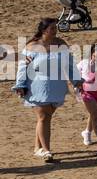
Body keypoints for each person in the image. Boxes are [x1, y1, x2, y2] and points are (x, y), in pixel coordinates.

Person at [13, 18, 83, 162]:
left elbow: (69, 64)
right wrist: (20, 85)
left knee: (45, 118)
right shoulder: (32, 46)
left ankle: (36, 148)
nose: (55, 30)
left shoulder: (61, 44)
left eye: (55, 28)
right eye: (52, 28)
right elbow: (22, 66)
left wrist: (76, 81)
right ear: (44, 30)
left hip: (56, 85)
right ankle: (46, 151)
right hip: (36, 85)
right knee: (43, 117)